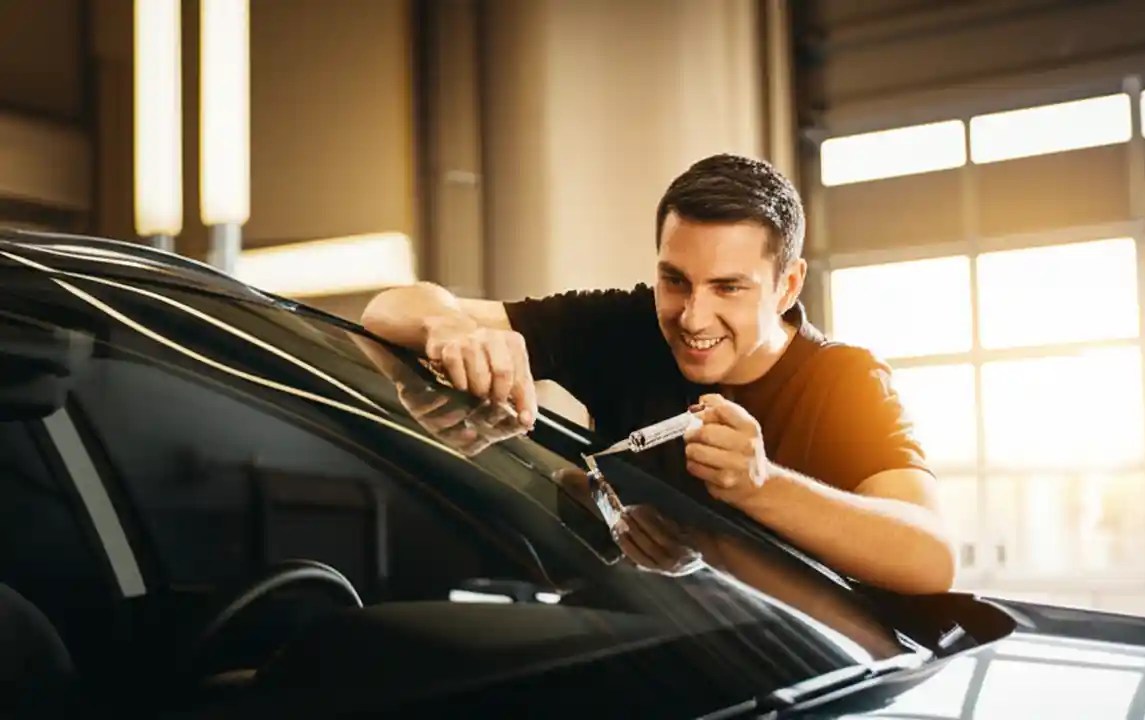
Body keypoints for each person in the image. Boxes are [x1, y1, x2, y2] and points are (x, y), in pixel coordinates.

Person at [362, 153, 955, 594]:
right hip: (641, 648)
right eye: (675, 281)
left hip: (801, 676)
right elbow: (390, 309)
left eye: (728, 287)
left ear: (788, 285)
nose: (693, 317)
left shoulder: (843, 380)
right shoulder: (624, 325)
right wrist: (452, 329)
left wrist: (760, 485)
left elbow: (929, 559)